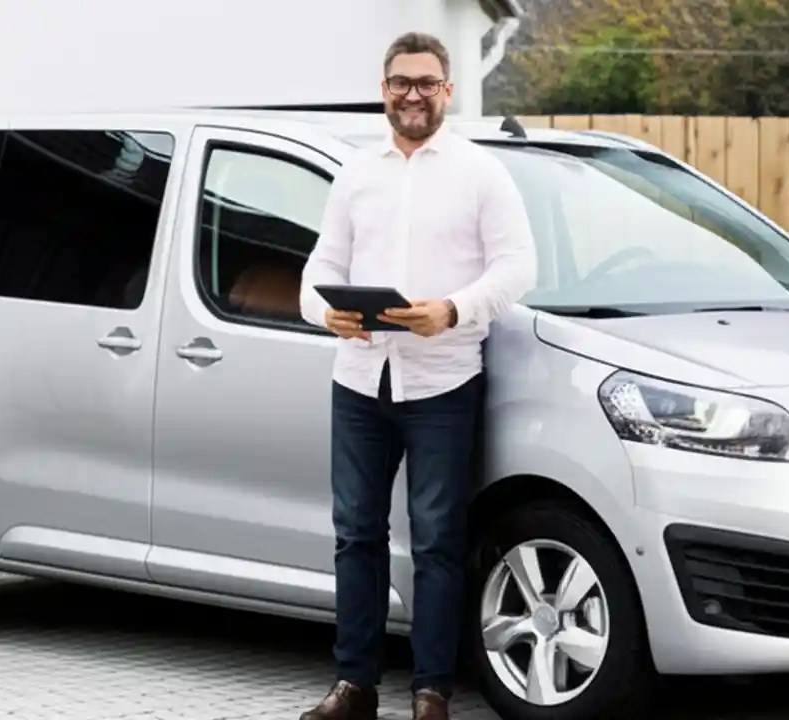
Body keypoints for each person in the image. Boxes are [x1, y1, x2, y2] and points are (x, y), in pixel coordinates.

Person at [297, 31, 537, 720]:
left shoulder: (480, 172)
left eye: (426, 83)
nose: (412, 94)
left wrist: (455, 309)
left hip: (443, 384)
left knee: (436, 540)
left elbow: (519, 266)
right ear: (384, 89)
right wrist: (326, 314)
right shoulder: (356, 174)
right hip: (359, 381)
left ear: (447, 91)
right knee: (356, 535)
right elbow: (320, 273)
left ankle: (432, 692)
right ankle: (355, 687)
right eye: (401, 82)